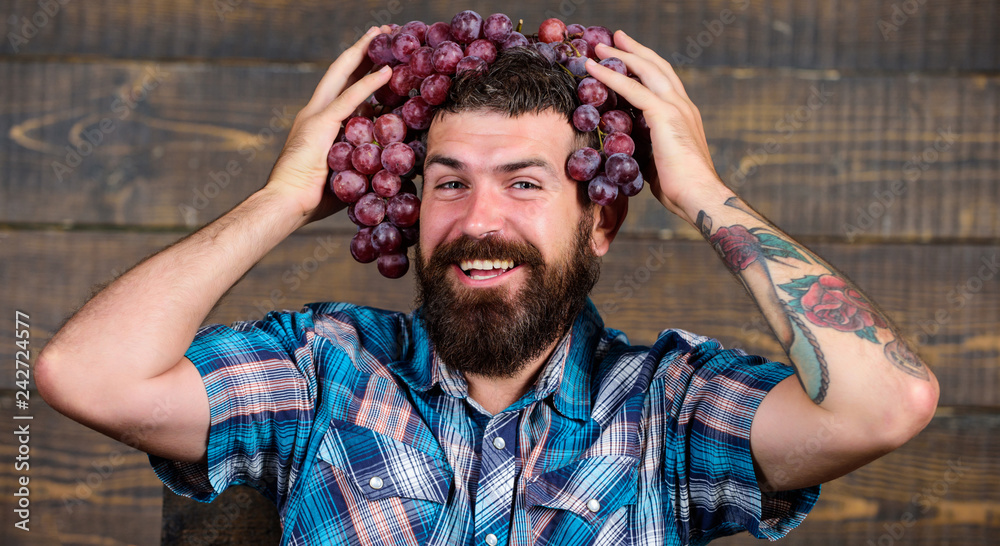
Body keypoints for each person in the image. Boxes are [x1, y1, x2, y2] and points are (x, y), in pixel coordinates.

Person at [37, 25, 939, 545]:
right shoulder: (320, 372)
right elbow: (85, 375)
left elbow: (884, 404)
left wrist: (703, 191)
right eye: (449, 183)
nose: (479, 219)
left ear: (600, 223)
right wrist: (282, 199)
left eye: (525, 183)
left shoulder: (670, 407)